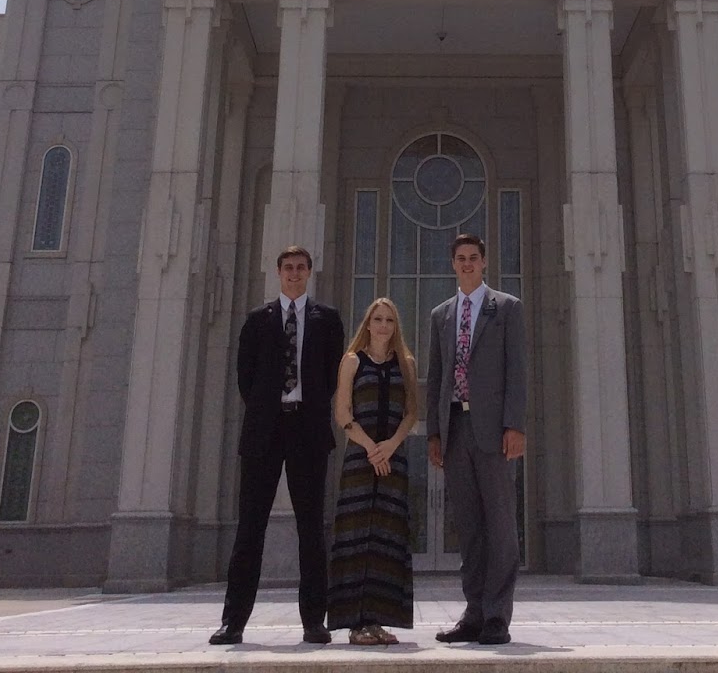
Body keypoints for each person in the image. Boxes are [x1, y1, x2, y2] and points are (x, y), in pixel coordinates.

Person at [210, 245, 345, 647]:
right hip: (264, 433)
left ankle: (313, 622)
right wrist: (272, 406)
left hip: (308, 431)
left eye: (301, 267)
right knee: (250, 528)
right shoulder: (257, 321)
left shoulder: (327, 320)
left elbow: (331, 373)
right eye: (288, 267)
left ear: (309, 273)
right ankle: (233, 622)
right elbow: (245, 378)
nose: (294, 273)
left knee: (311, 530)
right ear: (278, 272)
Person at [426, 233, 526, 646]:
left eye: (473, 257)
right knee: (468, 527)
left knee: (500, 525)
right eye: (460, 258)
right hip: (455, 429)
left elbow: (516, 372)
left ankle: (497, 617)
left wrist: (515, 425)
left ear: (484, 262)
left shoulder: (505, 308)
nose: (467, 264)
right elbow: (437, 377)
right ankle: (473, 613)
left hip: (493, 431)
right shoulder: (441, 315)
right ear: (452, 264)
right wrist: (433, 432)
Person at [327, 298, 417, 644]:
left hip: (393, 460)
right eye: (377, 319)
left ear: (396, 327)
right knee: (357, 538)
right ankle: (356, 624)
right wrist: (371, 448)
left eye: (390, 320)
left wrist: (390, 446)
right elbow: (343, 414)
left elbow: (411, 413)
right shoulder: (351, 361)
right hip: (360, 461)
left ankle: (378, 622)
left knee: (386, 539)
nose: (383, 325)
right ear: (367, 323)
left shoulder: (406, 363)